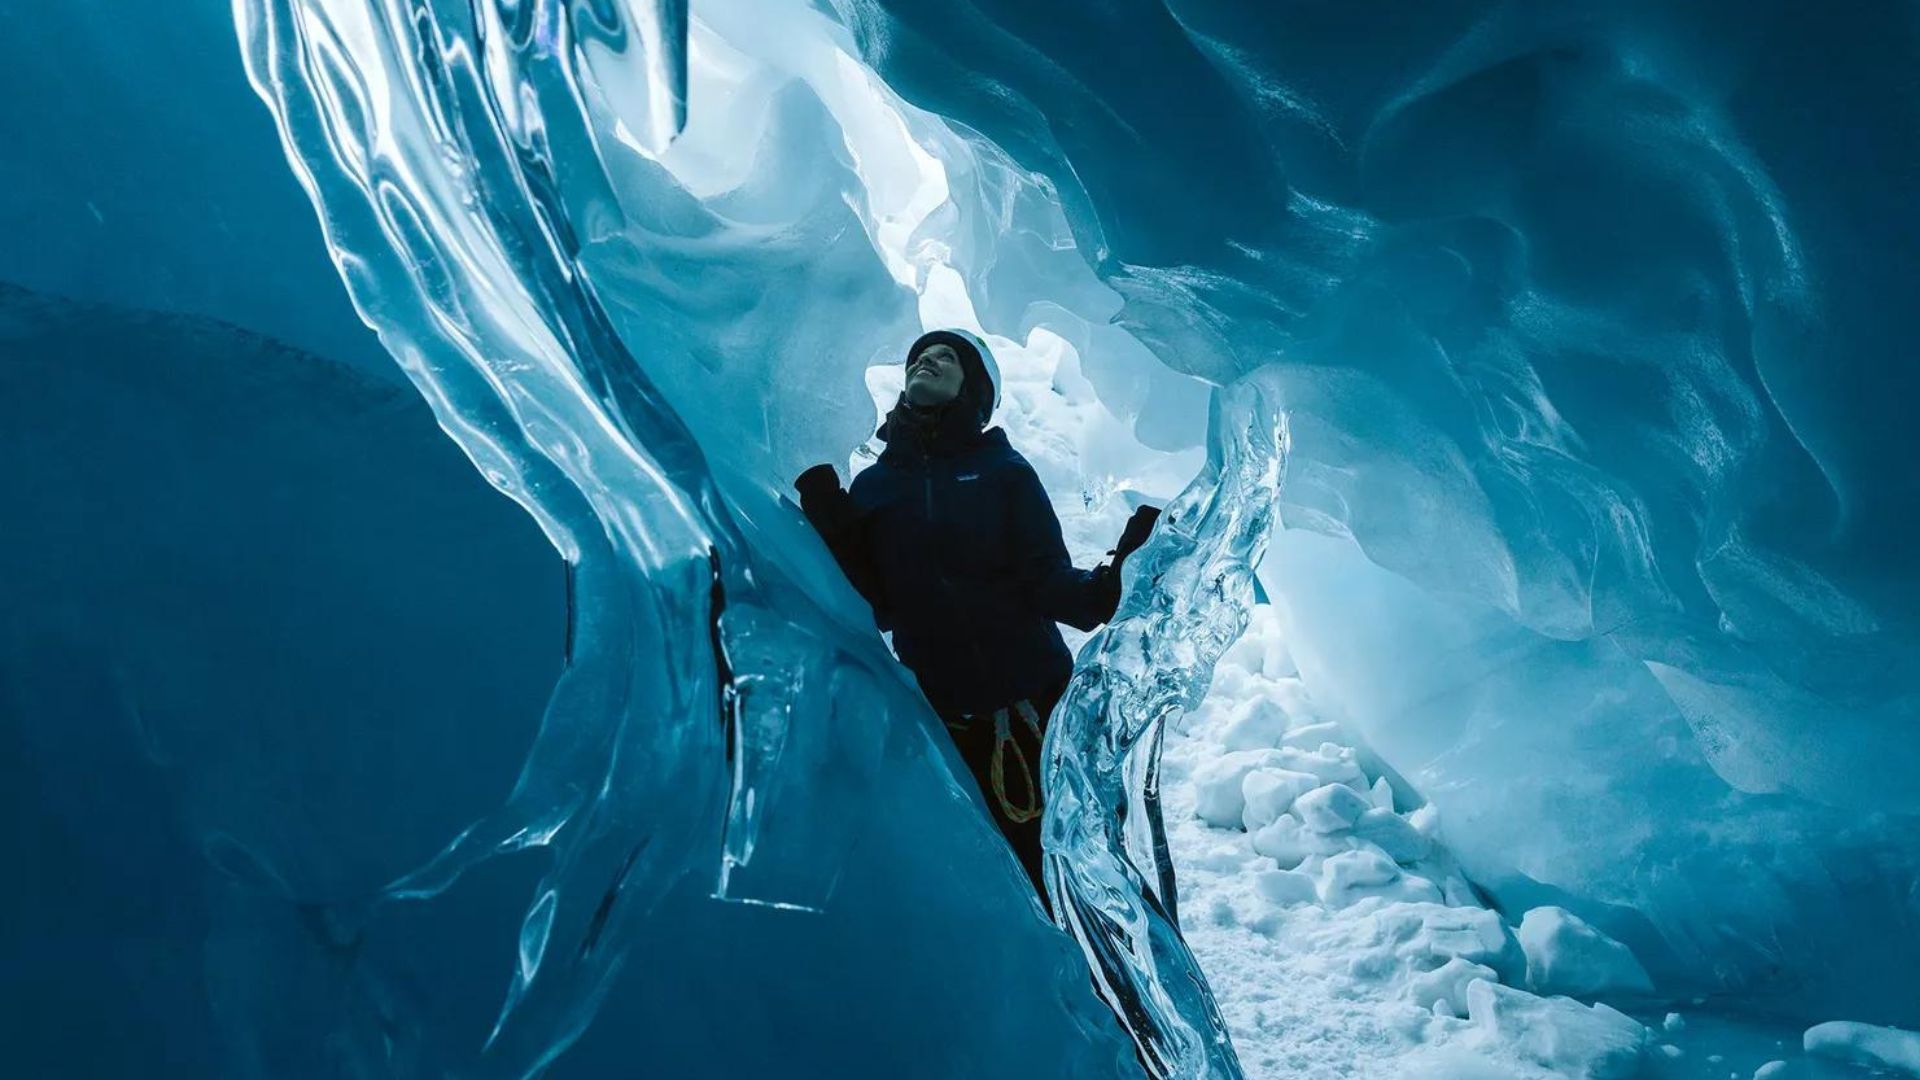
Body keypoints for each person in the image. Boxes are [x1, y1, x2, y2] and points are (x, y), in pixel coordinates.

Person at [794, 329, 1160, 902]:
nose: (927, 360)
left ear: (976, 389)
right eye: (920, 355)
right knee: (1000, 890)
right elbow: (876, 606)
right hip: (949, 727)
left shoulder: (1003, 472)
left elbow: (1049, 584)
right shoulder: (875, 486)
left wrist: (1119, 572)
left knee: (1087, 877)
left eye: (947, 357)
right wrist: (827, 516)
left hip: (1041, 715)